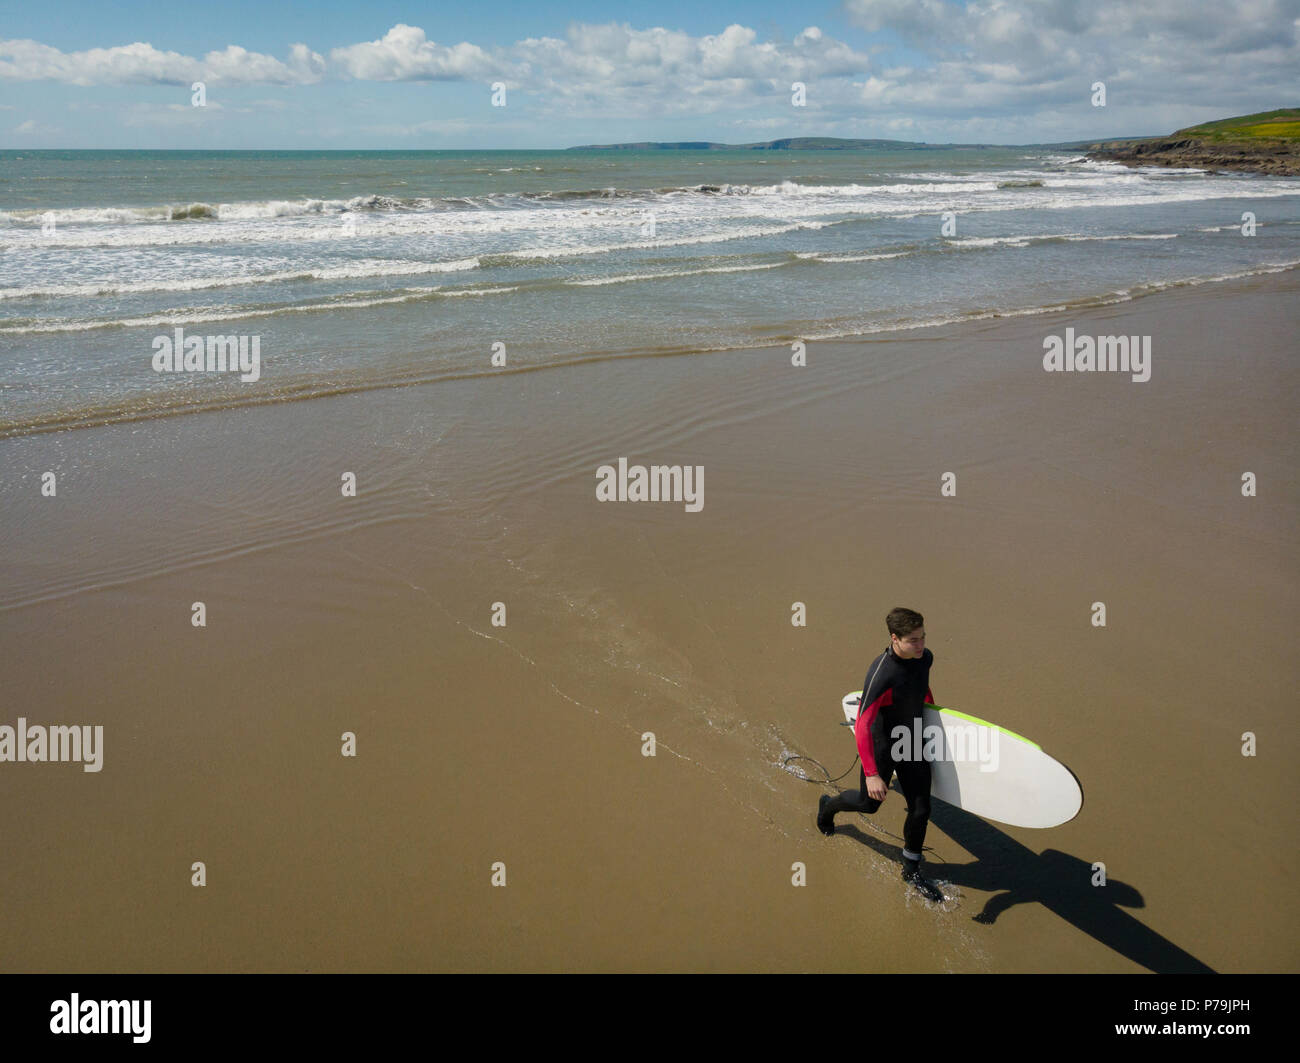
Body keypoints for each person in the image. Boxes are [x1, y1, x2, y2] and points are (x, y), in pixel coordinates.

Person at [817, 606, 944, 903]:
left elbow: (921, 689)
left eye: (923, 637)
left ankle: (911, 869)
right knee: (868, 804)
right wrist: (872, 773)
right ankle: (827, 806)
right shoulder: (882, 672)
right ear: (894, 638)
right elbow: (863, 723)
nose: (921, 644)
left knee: (922, 809)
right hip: (883, 743)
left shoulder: (925, 658)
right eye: (913, 639)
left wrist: (935, 720)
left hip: (911, 739)